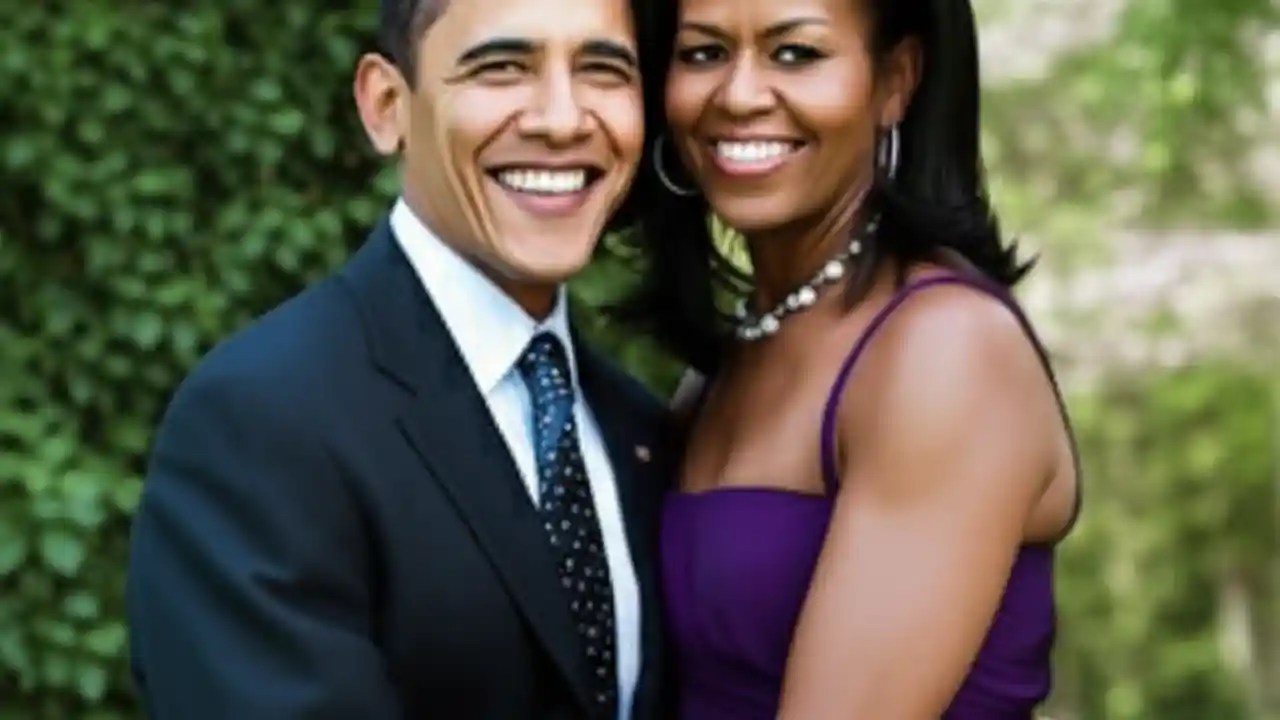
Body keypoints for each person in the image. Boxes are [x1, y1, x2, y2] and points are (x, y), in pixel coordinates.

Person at [126, 1, 671, 717]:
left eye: (603, 70)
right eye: (502, 67)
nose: (563, 119)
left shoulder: (639, 427)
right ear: (387, 105)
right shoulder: (259, 421)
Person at [627, 0, 1082, 717]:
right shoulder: (726, 364)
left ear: (896, 81)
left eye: (796, 53)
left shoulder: (944, 352)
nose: (739, 95)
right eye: (704, 54)